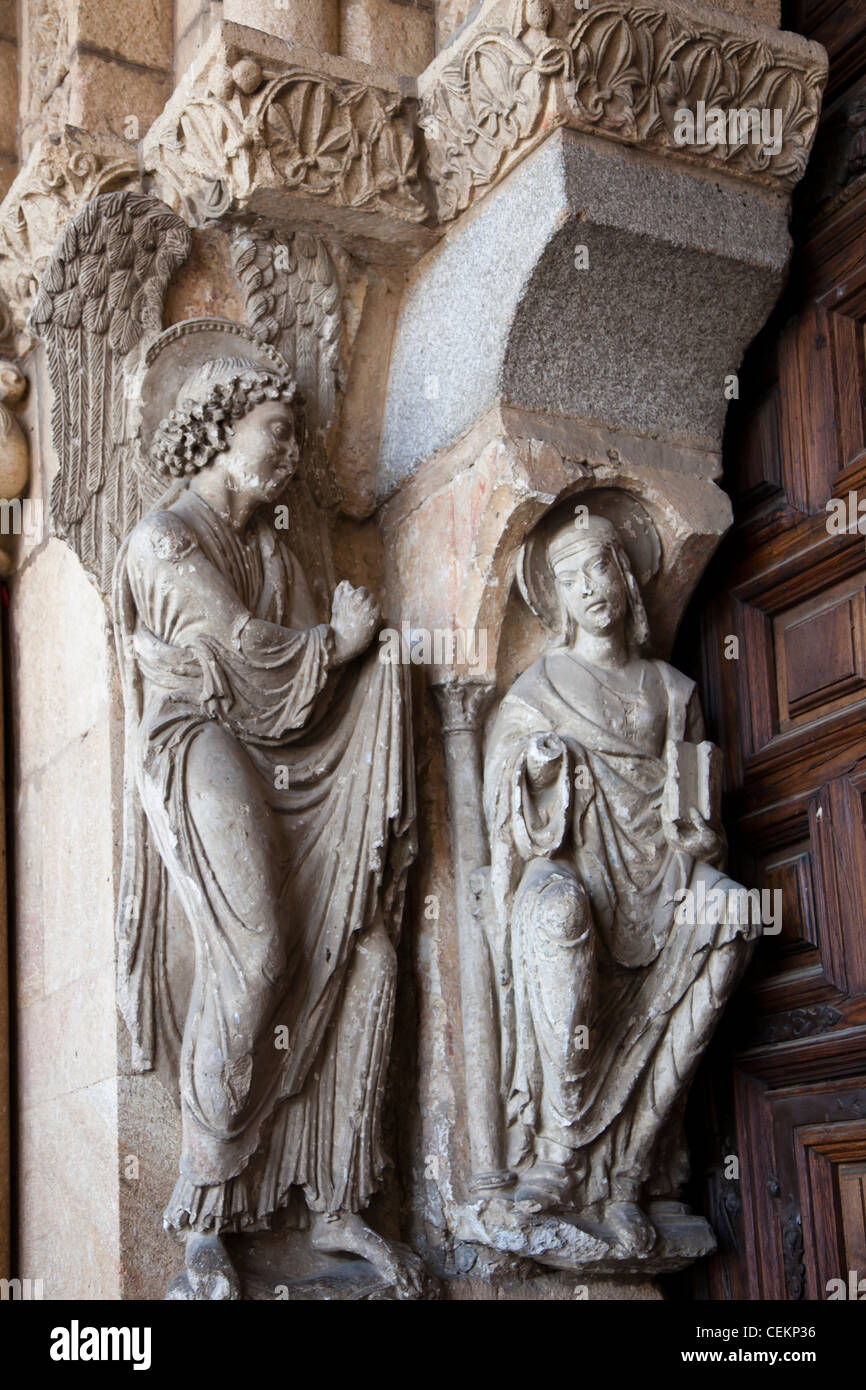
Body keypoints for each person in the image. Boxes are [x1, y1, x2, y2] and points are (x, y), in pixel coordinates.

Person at [113, 356, 419, 1297]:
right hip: (195, 739)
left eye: (296, 436)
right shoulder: (161, 539)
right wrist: (340, 644)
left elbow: (295, 696)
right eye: (274, 431)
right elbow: (240, 655)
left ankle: (333, 1196)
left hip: (282, 756)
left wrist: (371, 666)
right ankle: (205, 1210)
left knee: (365, 957)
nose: (289, 452)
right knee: (258, 951)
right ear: (217, 428)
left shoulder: (279, 553)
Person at [483, 512, 755, 1254]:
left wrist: (703, 835)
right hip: (576, 873)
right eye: (570, 579)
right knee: (554, 915)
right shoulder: (536, 690)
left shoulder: (672, 691)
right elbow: (501, 809)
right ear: (559, 600)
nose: (589, 590)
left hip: (659, 879)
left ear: (624, 577)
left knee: (731, 912)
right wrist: (534, 769)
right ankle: (559, 1157)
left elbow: (697, 817)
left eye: (599, 568)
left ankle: (631, 1170)